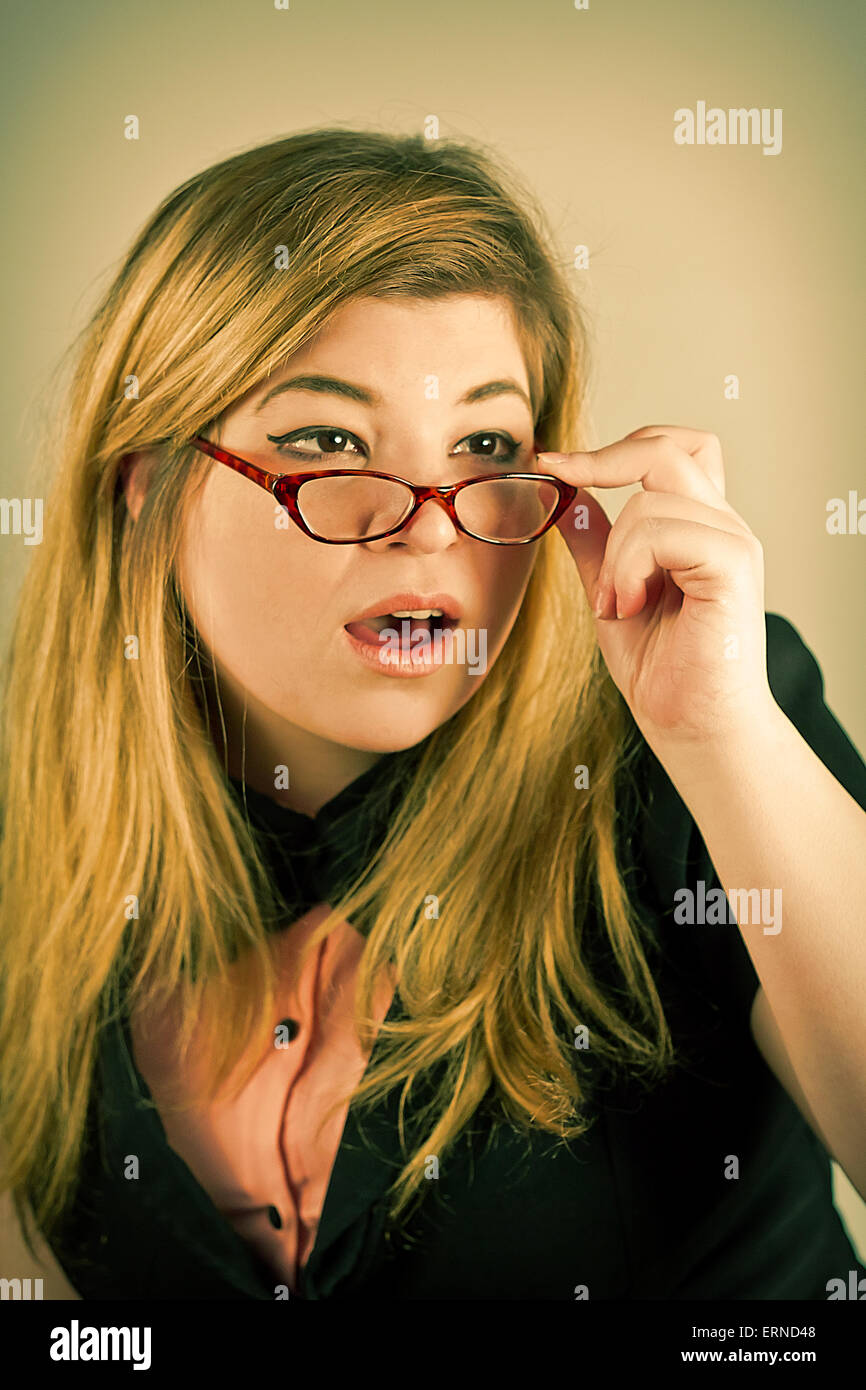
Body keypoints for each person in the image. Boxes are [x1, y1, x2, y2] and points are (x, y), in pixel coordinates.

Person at [1, 128, 864, 1302]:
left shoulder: (690, 731)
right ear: (148, 482)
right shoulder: (37, 828)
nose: (431, 525)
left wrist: (720, 733)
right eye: (327, 440)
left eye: (483, 445)